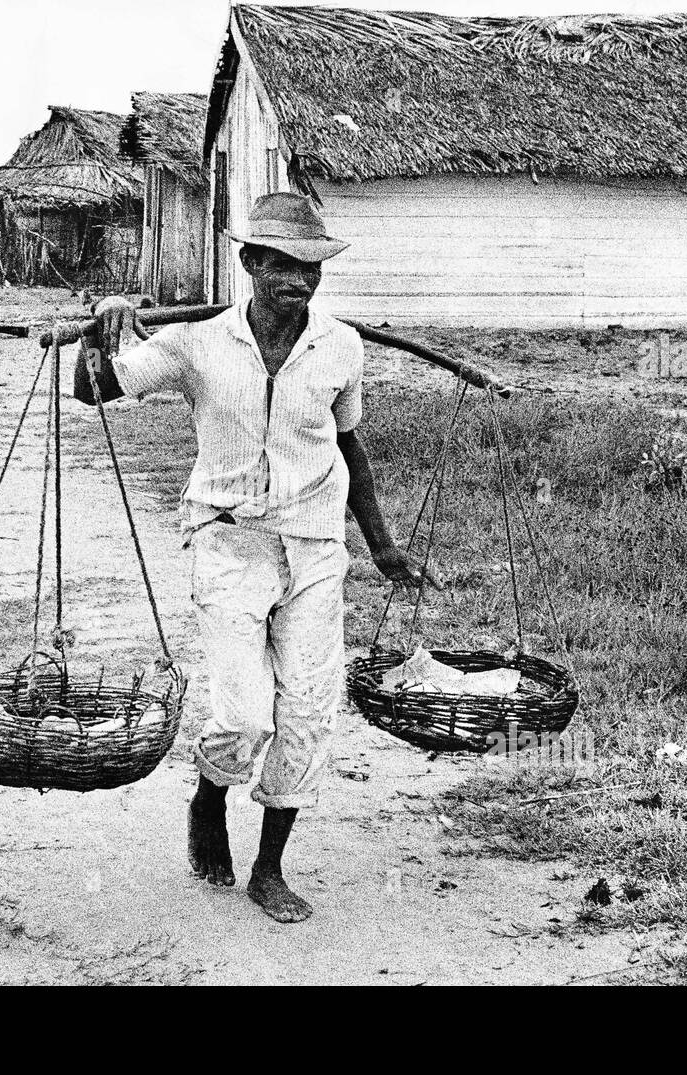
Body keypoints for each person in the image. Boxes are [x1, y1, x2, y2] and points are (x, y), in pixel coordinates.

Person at [75, 192, 439, 923]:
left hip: (314, 548)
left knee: (307, 710)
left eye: (310, 267)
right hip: (228, 542)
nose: (297, 282)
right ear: (249, 263)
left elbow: (349, 446)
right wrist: (99, 329)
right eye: (281, 265)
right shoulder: (197, 345)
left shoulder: (340, 347)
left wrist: (384, 544)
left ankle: (269, 867)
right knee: (245, 715)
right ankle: (211, 792)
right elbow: (91, 389)